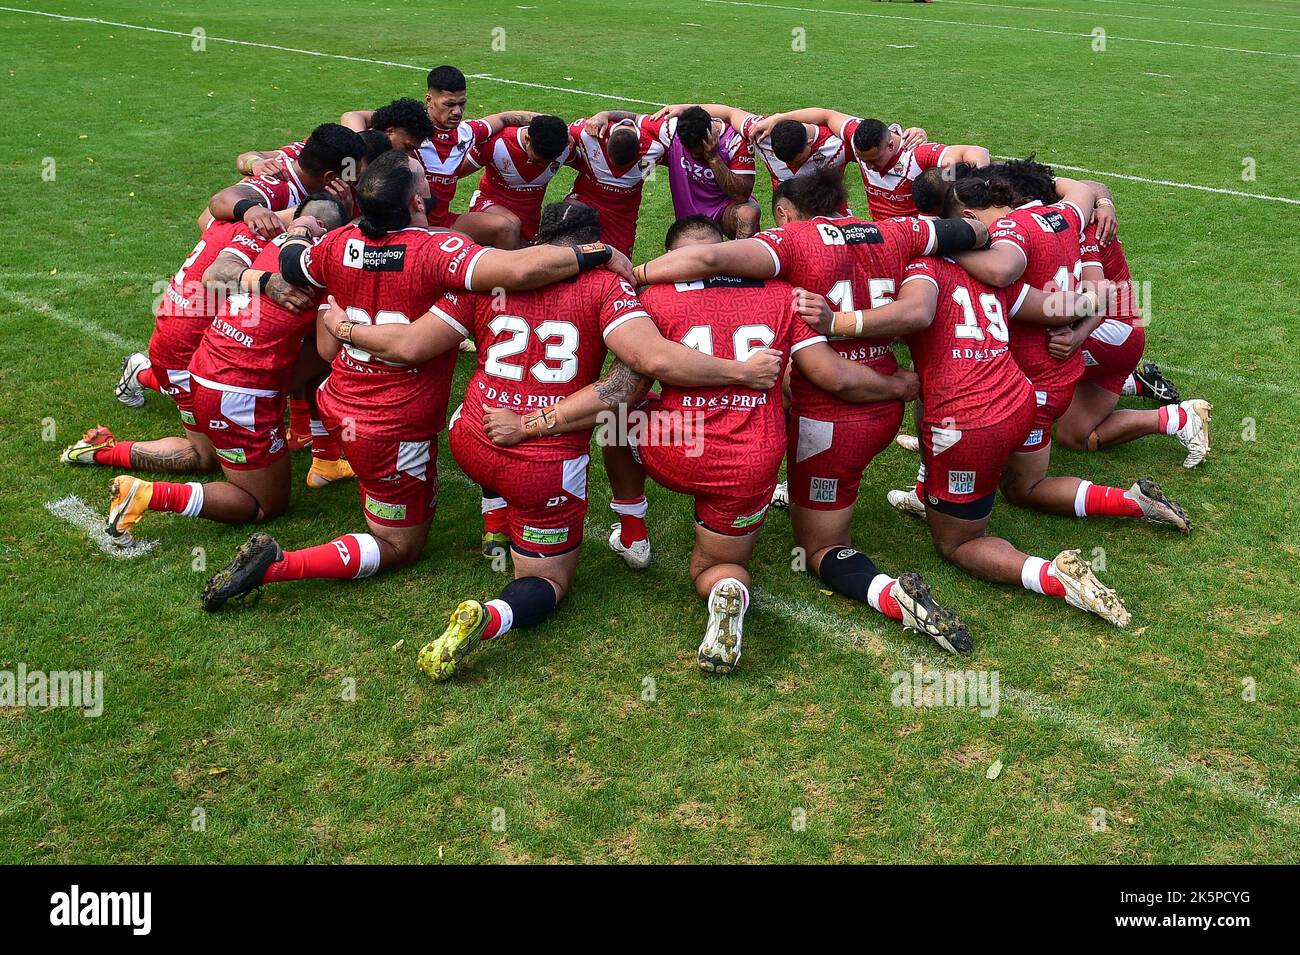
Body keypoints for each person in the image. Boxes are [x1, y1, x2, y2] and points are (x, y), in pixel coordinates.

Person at [198, 157, 637, 611]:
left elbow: (291, 276)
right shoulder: (438, 250)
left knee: (381, 489)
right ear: (414, 201)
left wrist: (271, 273)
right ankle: (281, 565)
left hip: (341, 399)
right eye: (423, 180)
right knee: (397, 545)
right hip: (393, 423)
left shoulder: (335, 244)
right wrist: (599, 252)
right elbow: (519, 272)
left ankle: (360, 478)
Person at [631, 169, 988, 648]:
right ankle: (795, 491)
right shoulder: (898, 228)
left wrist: (636, 275)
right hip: (881, 403)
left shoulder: (790, 242)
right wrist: (898, 384)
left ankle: (889, 595)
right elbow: (974, 231)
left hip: (832, 415)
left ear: (784, 212)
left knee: (820, 547)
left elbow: (713, 257)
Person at [795, 253, 1131, 628]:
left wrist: (837, 320)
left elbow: (912, 315)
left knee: (959, 542)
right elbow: (1053, 305)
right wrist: (1092, 305)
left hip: (966, 422)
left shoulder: (920, 270)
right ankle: (930, 495)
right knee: (1017, 484)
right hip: (1017, 398)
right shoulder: (996, 267)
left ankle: (1052, 575)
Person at [945, 167, 1195, 532]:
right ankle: (1143, 390)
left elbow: (1008, 277)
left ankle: (1132, 500)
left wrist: (946, 248)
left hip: (1074, 356)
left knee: (1019, 484)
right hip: (1069, 358)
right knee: (1072, 435)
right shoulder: (1069, 218)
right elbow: (1086, 195)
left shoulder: (1013, 237)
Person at [103, 196, 352, 544]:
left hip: (205, 365)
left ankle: (322, 457)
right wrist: (348, 327)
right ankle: (146, 495)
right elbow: (328, 349)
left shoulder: (267, 237)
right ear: (328, 231)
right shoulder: (323, 263)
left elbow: (214, 257)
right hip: (238, 390)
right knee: (264, 505)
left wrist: (264, 280)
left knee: (307, 359)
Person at [65, 206, 317, 474]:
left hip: (179, 334)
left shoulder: (239, 215)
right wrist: (266, 280)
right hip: (185, 356)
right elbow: (217, 276)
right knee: (205, 457)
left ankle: (305, 433)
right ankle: (104, 449)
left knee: (292, 349)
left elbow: (209, 212)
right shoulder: (265, 236)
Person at [750, 107, 986, 220]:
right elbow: (825, 115)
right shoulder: (857, 138)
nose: (869, 166)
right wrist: (779, 119)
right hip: (880, 234)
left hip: (918, 234)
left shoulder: (915, 153)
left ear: (891, 146)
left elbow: (976, 152)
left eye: (874, 160)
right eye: (864, 161)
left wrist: (956, 181)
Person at [204, 123, 365, 240]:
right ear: (330, 177)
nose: (355, 181)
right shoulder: (279, 186)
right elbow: (219, 200)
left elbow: (247, 156)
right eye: (352, 175)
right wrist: (250, 210)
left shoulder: (309, 152)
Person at [564, 110, 671, 256]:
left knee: (619, 263)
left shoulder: (654, 149)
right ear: (606, 141)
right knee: (565, 253)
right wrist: (575, 160)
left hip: (622, 216)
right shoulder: (588, 132)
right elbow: (560, 133)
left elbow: (647, 175)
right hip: (584, 200)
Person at [464, 115, 573, 248]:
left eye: (549, 162)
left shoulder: (566, 146)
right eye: (536, 161)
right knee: (510, 226)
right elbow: (456, 172)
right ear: (527, 139)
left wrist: (604, 115)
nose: (541, 166)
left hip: (530, 218)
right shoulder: (498, 142)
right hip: (489, 205)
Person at [662, 106, 760, 239]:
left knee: (748, 213)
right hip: (688, 220)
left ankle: (742, 258)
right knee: (694, 257)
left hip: (723, 211)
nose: (694, 156)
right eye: (690, 152)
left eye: (698, 152)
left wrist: (713, 158)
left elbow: (742, 195)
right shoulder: (671, 130)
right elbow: (637, 121)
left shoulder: (734, 140)